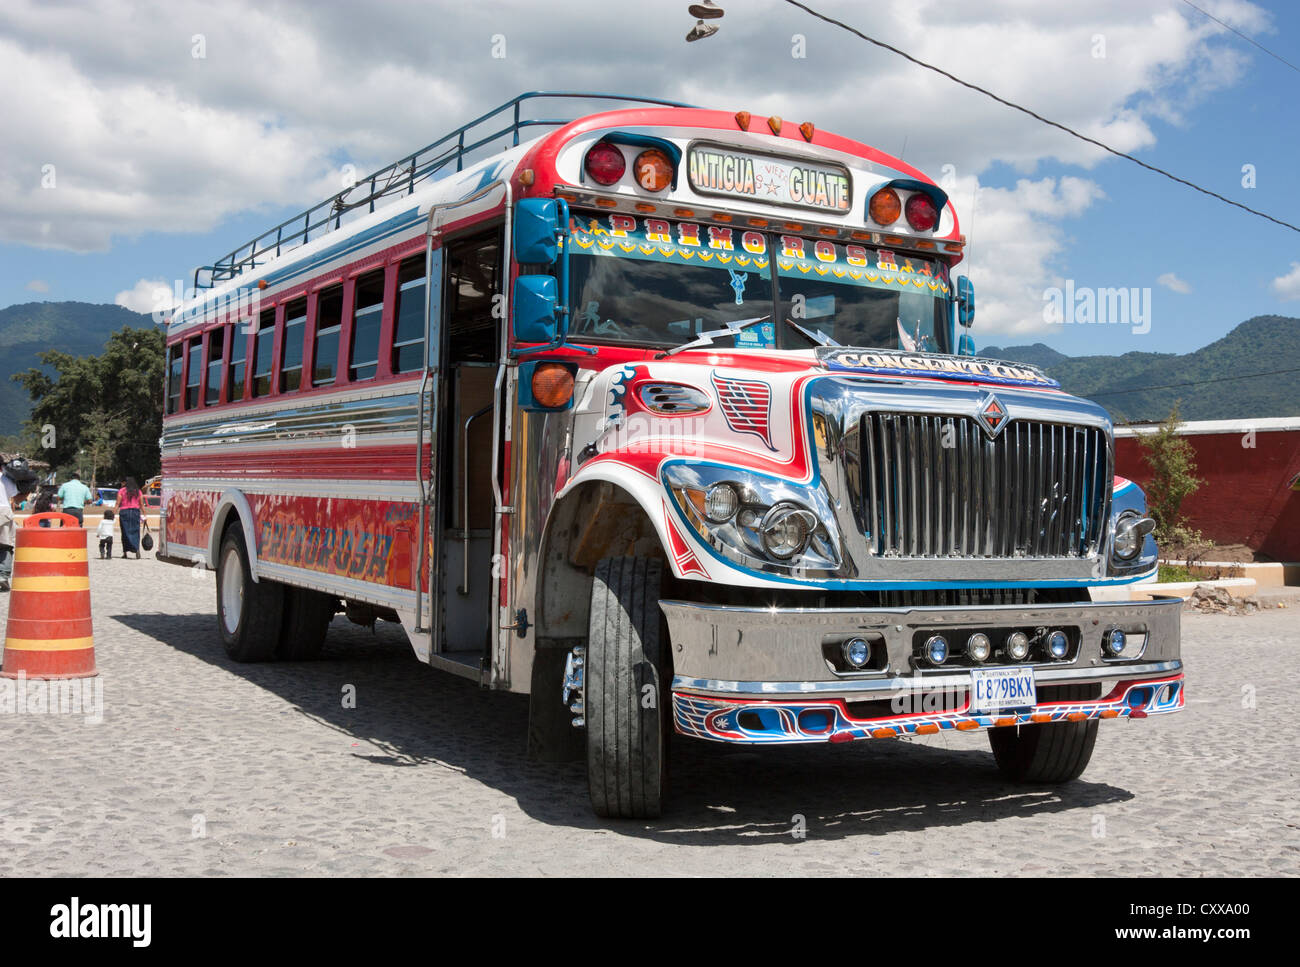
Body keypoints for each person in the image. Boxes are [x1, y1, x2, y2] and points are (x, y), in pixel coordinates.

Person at [0, 458, 39, 592]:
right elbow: (17, 499)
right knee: (5, 545)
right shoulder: (5, 479)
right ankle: (3, 576)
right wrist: (28, 491)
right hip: (3, 513)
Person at [117, 476, 143, 559]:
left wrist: (112, 513)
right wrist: (145, 514)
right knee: (136, 530)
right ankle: (137, 549)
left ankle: (125, 552)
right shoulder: (138, 491)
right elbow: (141, 504)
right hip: (135, 512)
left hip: (124, 512)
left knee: (124, 532)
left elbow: (117, 504)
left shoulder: (121, 491)